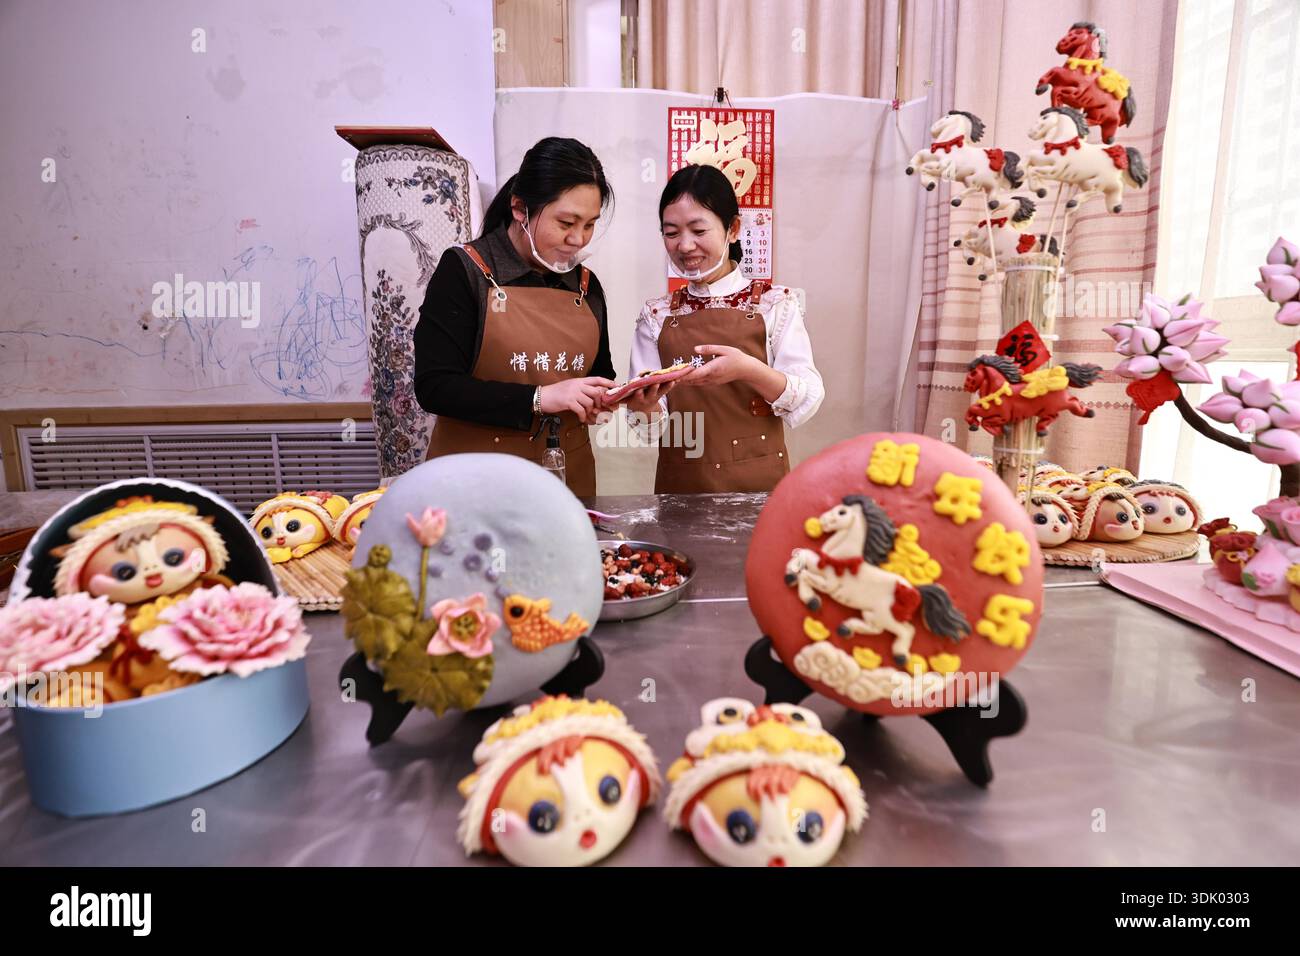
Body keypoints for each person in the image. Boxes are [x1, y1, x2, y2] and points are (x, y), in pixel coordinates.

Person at [414, 137, 617, 496]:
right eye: (566, 222)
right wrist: (539, 398)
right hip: (476, 481)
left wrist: (614, 399)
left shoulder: (586, 285)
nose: (578, 240)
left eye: (589, 225)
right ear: (520, 209)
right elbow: (435, 387)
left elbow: (599, 375)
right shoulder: (465, 271)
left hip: (568, 478)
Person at [623, 164, 823, 493]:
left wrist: (748, 369)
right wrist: (642, 405)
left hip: (758, 487)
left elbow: (807, 398)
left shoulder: (773, 304)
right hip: (682, 486)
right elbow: (649, 430)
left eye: (698, 231)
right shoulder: (657, 314)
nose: (685, 246)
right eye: (671, 233)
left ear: (732, 229)